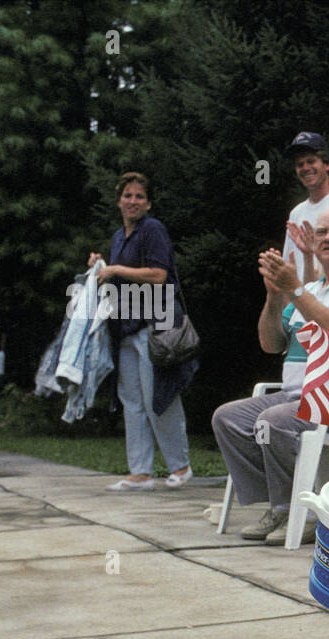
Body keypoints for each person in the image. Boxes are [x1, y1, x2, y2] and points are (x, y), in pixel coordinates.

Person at [211, 206, 329, 545]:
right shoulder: (312, 289)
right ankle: (280, 506)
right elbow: (270, 343)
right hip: (300, 395)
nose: (327, 238)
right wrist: (274, 295)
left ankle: (304, 513)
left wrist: (295, 289)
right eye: (322, 232)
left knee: (273, 420)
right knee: (228, 418)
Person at [90, 172, 193, 491]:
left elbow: (159, 275)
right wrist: (101, 266)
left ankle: (181, 466)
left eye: (139, 196)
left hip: (155, 327)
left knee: (158, 396)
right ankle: (141, 472)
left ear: (148, 203)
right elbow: (120, 278)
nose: (133, 201)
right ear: (119, 200)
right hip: (126, 326)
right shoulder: (120, 236)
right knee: (131, 399)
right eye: (127, 195)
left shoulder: (153, 229)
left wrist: (117, 269)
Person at [282, 132, 329, 282]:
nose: (305, 168)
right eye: (300, 164)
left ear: (327, 164)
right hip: (300, 300)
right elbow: (289, 265)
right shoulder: (296, 213)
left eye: (311, 161)